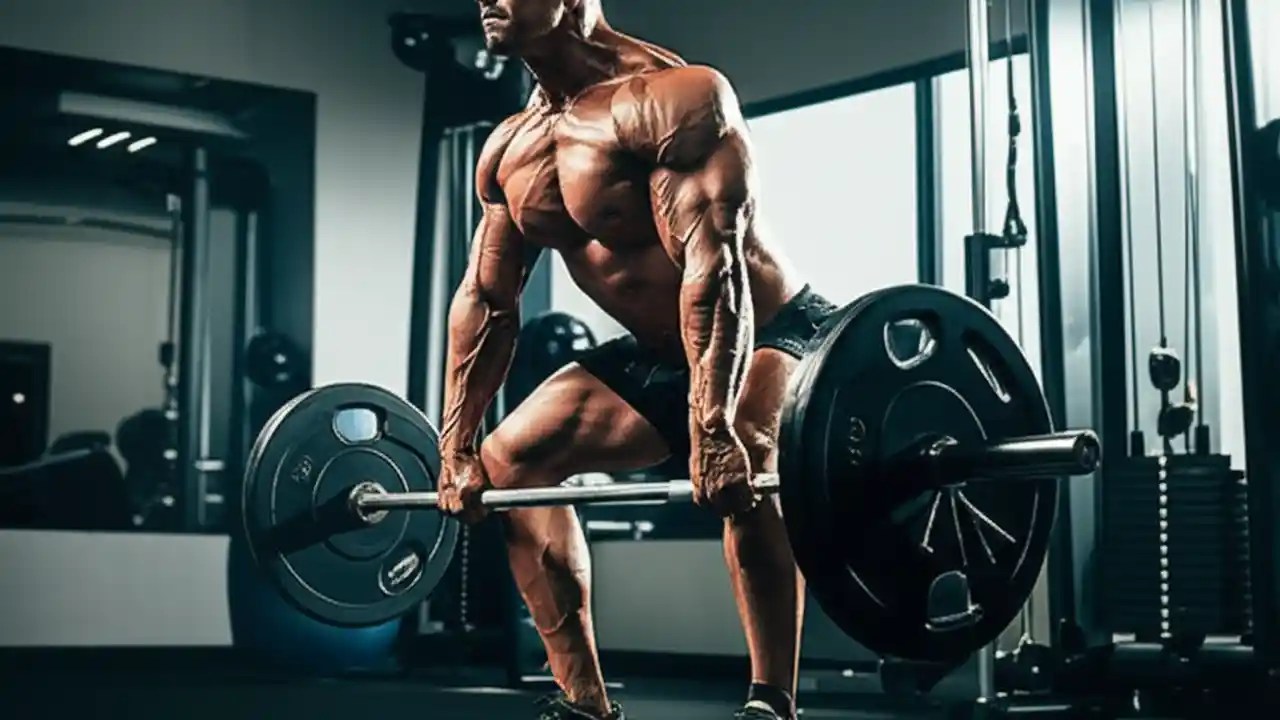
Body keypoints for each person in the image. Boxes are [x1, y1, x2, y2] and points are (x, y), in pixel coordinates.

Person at [436, 1, 839, 718]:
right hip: (660, 350)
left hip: (776, 329)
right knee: (510, 463)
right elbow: (488, 297)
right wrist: (455, 444)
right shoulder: (510, 146)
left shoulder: (672, 98)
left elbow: (714, 271)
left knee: (749, 444)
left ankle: (770, 702)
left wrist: (710, 428)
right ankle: (584, 702)